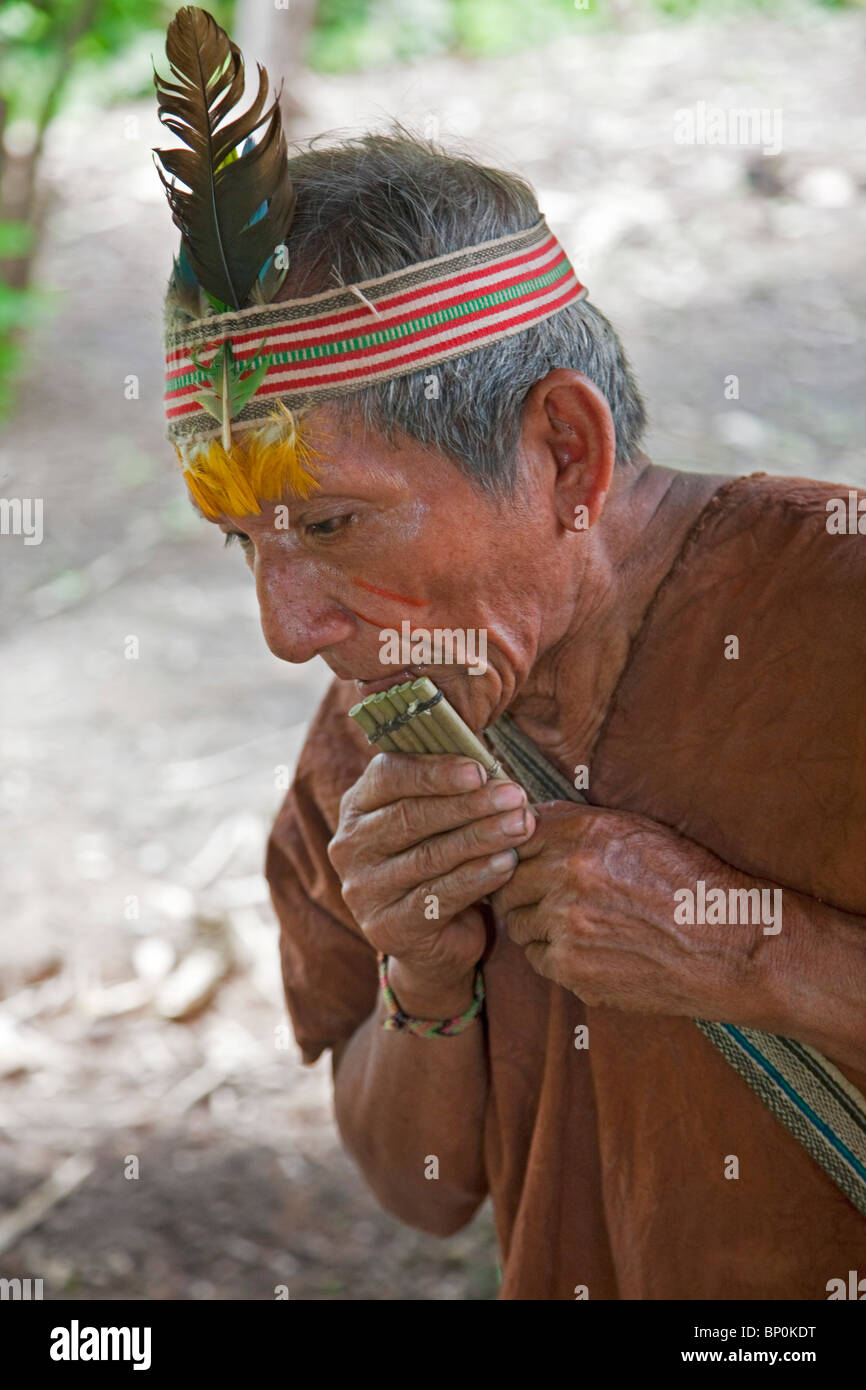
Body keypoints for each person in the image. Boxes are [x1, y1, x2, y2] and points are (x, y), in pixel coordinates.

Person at [155, 12, 865, 1300]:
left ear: (564, 456)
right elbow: (424, 1198)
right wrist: (426, 975)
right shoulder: (368, 747)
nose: (285, 628)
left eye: (329, 523)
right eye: (238, 542)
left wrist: (762, 957)